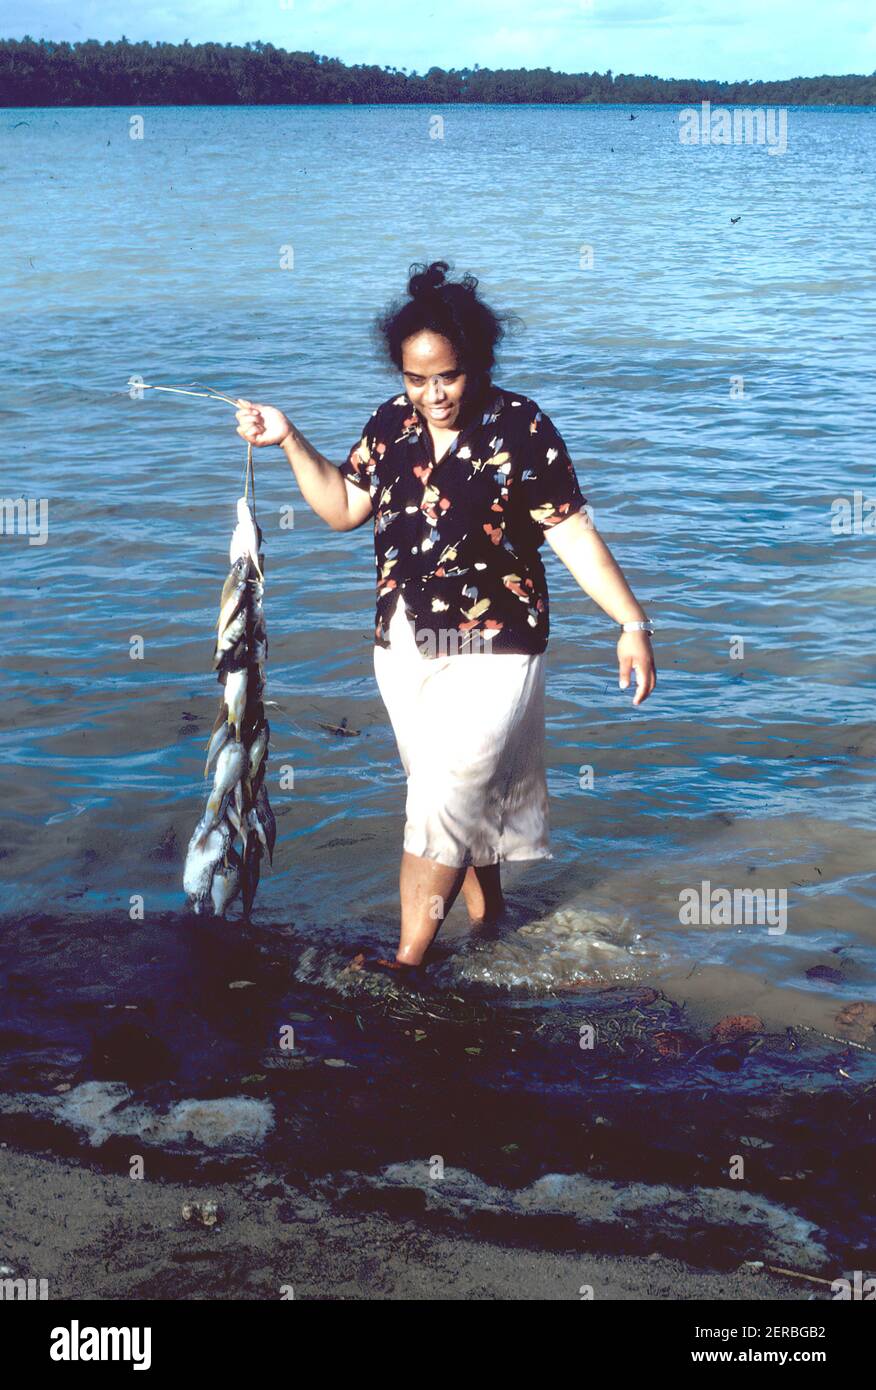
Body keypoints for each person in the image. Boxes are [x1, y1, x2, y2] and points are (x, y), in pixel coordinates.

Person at [234, 260, 656, 973]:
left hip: (498, 644)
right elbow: (342, 508)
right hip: (404, 643)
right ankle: (489, 922)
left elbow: (572, 532)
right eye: (415, 378)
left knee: (445, 797)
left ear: (478, 363)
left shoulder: (522, 427)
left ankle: (407, 964)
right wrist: (289, 439)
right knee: (459, 796)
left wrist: (631, 623)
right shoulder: (390, 425)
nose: (432, 396)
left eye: (448, 377)